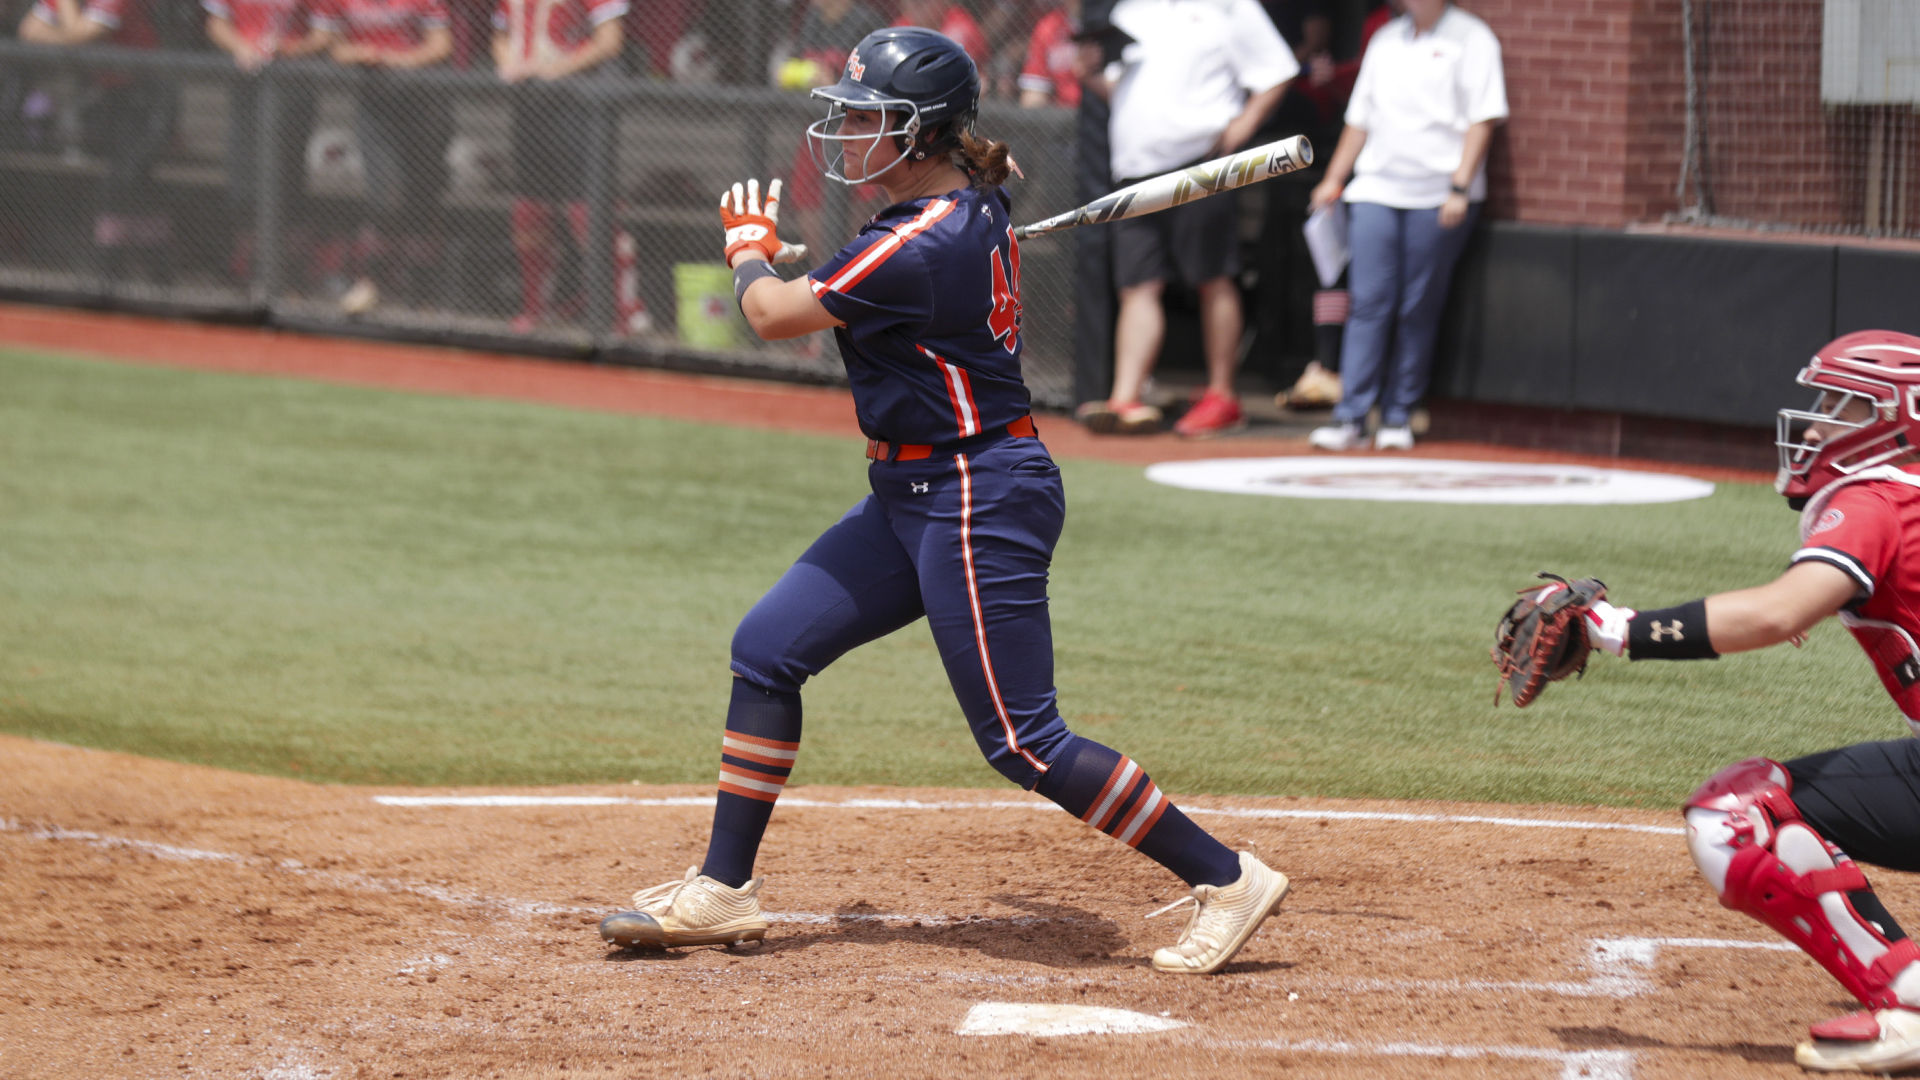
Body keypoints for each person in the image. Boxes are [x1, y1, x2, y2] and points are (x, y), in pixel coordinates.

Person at [598, 27, 1292, 976]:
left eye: (867, 118)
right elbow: (867, 284)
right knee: (766, 652)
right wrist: (807, 268)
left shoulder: (922, 243)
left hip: (977, 492)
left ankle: (1229, 876)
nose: (845, 134)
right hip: (911, 489)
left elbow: (767, 316)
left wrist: (751, 251)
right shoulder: (953, 217)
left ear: (922, 135)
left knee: (1022, 740)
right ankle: (722, 890)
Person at [1533, 331, 1920, 1072]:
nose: (1814, 424)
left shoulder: (1874, 500)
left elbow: (1779, 612)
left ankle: (1908, 1002)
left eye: (1841, 406)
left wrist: (1617, 630)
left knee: (1737, 813)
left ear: (1899, 418)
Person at [1076, 0, 1296, 438]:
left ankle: (1222, 396)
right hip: (1135, 170)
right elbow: (1124, 92)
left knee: (1213, 276)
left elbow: (1279, 69)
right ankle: (1126, 397)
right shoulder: (1128, 11)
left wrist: (1246, 122)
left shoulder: (1231, 7)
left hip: (1201, 166)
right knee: (1137, 285)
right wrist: (1090, 77)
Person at [1305, 0, 1504, 452]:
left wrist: (1458, 186)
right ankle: (1351, 417)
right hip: (1377, 188)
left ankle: (1398, 415)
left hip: (1438, 195)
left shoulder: (1474, 39)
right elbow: (1360, 120)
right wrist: (1335, 178)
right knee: (1368, 301)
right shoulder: (1384, 38)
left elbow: (1482, 120)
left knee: (1417, 307)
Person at [307, 0, 453, 312]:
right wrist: (357, 54)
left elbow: (442, 45)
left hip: (423, 105)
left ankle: (422, 291)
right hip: (375, 107)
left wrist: (401, 59)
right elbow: (333, 44)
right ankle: (371, 282)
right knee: (384, 199)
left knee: (422, 201)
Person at [491, 0, 626, 331]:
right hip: (529, 101)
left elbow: (610, 41)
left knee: (587, 212)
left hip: (578, 101)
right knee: (529, 210)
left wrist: (555, 70)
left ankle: (620, 310)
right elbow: (499, 34)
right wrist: (509, 63)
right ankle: (535, 308)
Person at [19, 0, 177, 281]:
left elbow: (80, 35)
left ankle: (121, 273)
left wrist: (65, 17)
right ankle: (142, 271)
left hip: (149, 96)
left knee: (126, 180)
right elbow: (29, 30)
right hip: (111, 97)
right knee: (128, 184)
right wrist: (68, 36)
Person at [203, 0, 323, 282]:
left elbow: (324, 34)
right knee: (244, 181)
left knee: (287, 179)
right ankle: (246, 268)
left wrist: (291, 49)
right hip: (248, 87)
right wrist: (241, 46)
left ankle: (289, 272)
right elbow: (216, 24)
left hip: (294, 90)